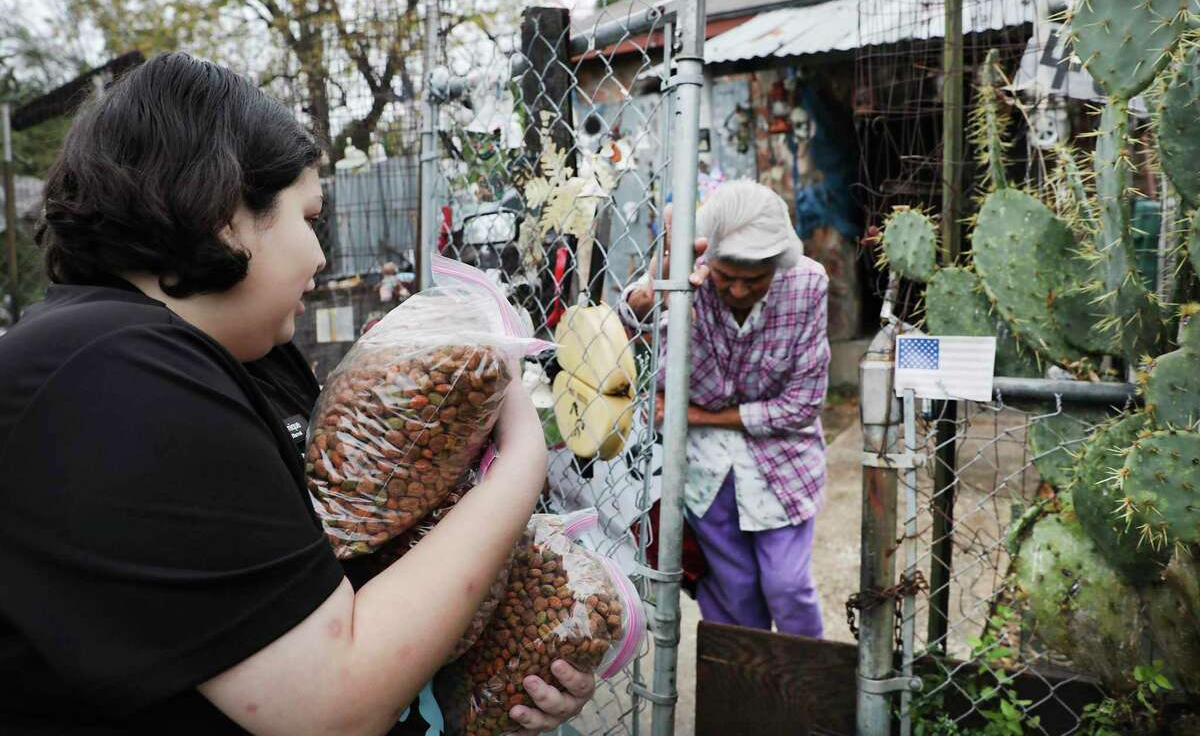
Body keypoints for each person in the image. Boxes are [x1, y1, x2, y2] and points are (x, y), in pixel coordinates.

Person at [0, 52, 593, 734]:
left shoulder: (231, 354)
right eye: (308, 217)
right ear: (226, 213)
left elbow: (311, 591)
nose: (320, 254)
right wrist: (520, 467)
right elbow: (334, 704)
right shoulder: (111, 372)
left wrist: (506, 664)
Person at [621, 180, 829, 638]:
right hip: (704, 467)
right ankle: (745, 693)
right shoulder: (687, 272)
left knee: (788, 588)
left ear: (778, 266)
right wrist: (655, 294)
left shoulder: (807, 284)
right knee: (734, 597)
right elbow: (626, 328)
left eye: (753, 281)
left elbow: (802, 404)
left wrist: (693, 414)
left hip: (783, 461)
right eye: (724, 276)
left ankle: (807, 696)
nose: (735, 290)